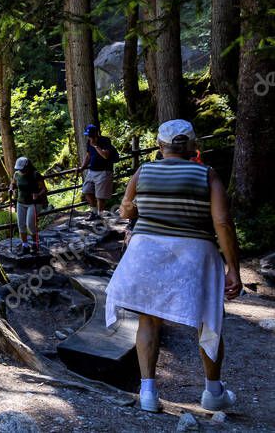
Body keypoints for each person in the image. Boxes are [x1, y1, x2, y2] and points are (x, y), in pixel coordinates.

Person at [105, 119, 241, 413]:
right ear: (193, 146)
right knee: (209, 319)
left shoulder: (143, 171)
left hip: (147, 251)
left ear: (159, 146)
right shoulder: (207, 174)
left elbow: (126, 209)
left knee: (148, 320)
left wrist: (139, 209)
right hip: (195, 252)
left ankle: (149, 393)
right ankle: (213, 392)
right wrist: (233, 267)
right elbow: (221, 222)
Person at [9, 157, 47, 254]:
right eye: (19, 168)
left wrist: (37, 194)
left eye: (22, 168)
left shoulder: (35, 174)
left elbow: (44, 189)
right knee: (21, 224)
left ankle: (35, 243)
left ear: (27, 166)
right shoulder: (16, 174)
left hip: (34, 203)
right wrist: (11, 188)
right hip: (21, 202)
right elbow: (13, 184)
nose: (20, 170)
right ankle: (25, 246)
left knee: (30, 224)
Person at [80, 123, 116, 220]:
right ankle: (94, 212)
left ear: (95, 134)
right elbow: (88, 155)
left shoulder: (105, 141)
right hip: (92, 171)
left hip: (104, 172)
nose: (88, 137)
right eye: (88, 135)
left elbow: (105, 156)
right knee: (87, 190)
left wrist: (96, 146)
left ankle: (100, 216)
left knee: (100, 197)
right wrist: (82, 167)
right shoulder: (89, 142)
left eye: (90, 135)